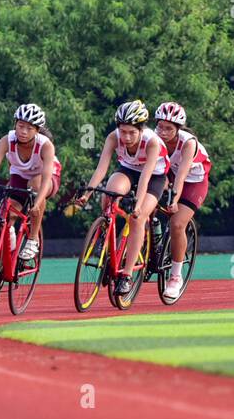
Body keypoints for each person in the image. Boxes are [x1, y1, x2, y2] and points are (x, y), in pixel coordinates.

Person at [0, 103, 61, 296]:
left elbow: (45, 177)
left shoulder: (45, 145)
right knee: (4, 217)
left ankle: (33, 238)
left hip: (45, 179)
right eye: (20, 126)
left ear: (37, 130)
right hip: (19, 176)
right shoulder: (7, 140)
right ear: (15, 124)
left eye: (29, 128)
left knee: (36, 188)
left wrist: (37, 203)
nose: (23, 131)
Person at [80, 100, 168, 298]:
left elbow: (145, 177)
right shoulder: (113, 137)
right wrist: (88, 193)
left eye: (132, 133)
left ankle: (126, 275)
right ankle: (105, 233)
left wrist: (137, 206)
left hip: (154, 176)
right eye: (123, 131)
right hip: (128, 169)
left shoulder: (152, 142)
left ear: (141, 129)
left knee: (137, 219)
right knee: (111, 192)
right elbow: (102, 168)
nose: (126, 137)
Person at [153, 101, 211, 302]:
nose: (163, 132)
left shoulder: (188, 143)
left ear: (178, 129)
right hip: (169, 174)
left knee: (177, 223)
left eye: (169, 128)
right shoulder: (154, 138)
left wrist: (174, 199)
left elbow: (182, 174)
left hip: (194, 181)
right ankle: (153, 242)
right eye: (160, 126)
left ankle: (175, 277)